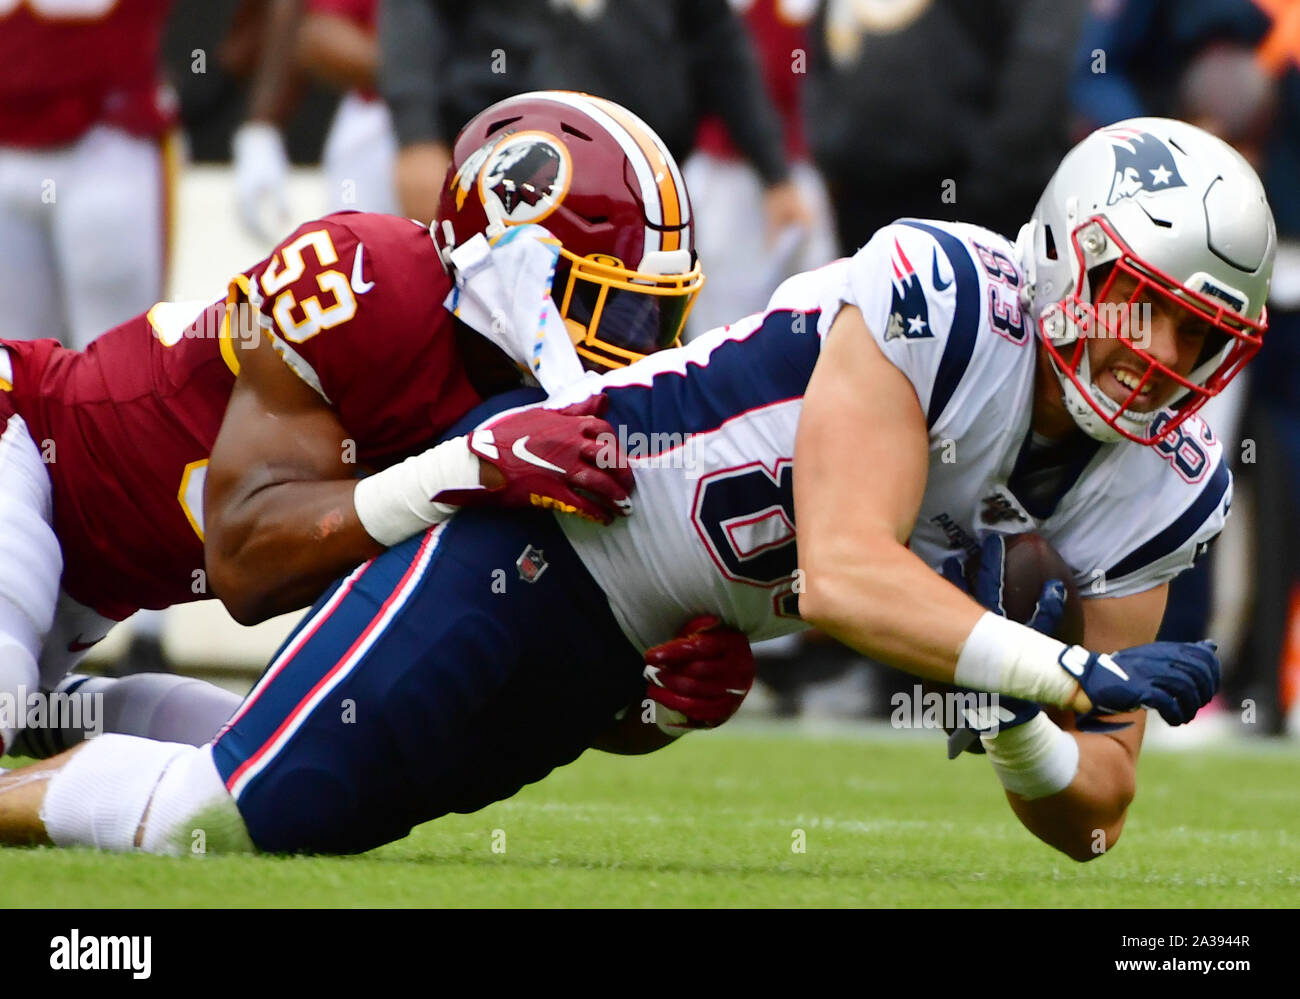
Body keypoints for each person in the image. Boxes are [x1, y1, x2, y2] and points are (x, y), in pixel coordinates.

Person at [0, 117, 1264, 862]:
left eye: (1196, 337)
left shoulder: (1162, 474)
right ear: (1056, 257)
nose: (1156, 359)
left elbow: (1096, 816)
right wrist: (1047, 669)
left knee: (300, 824)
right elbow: (840, 569)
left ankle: (58, 722)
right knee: (232, 815)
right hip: (551, 527)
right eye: (1134, 305)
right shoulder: (941, 291)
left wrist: (1018, 720)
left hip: (619, 631)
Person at [0, 91, 741, 761]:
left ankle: (45, 712)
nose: (638, 352)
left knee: (264, 772)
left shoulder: (530, 425)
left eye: (659, 317)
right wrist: (468, 469)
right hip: (21, 437)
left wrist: (658, 700)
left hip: (81, 598)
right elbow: (245, 560)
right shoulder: (367, 280)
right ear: (503, 257)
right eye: (615, 310)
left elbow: (526, 685)